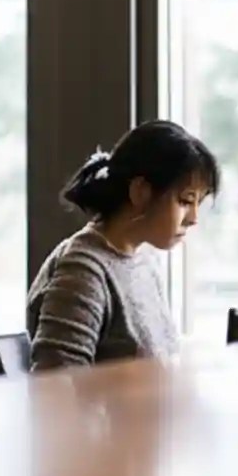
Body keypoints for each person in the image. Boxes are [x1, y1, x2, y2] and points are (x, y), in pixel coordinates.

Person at [27, 120, 220, 371]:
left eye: (199, 203)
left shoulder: (144, 261)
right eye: (185, 200)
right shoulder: (83, 269)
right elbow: (56, 383)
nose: (194, 218)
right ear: (140, 191)